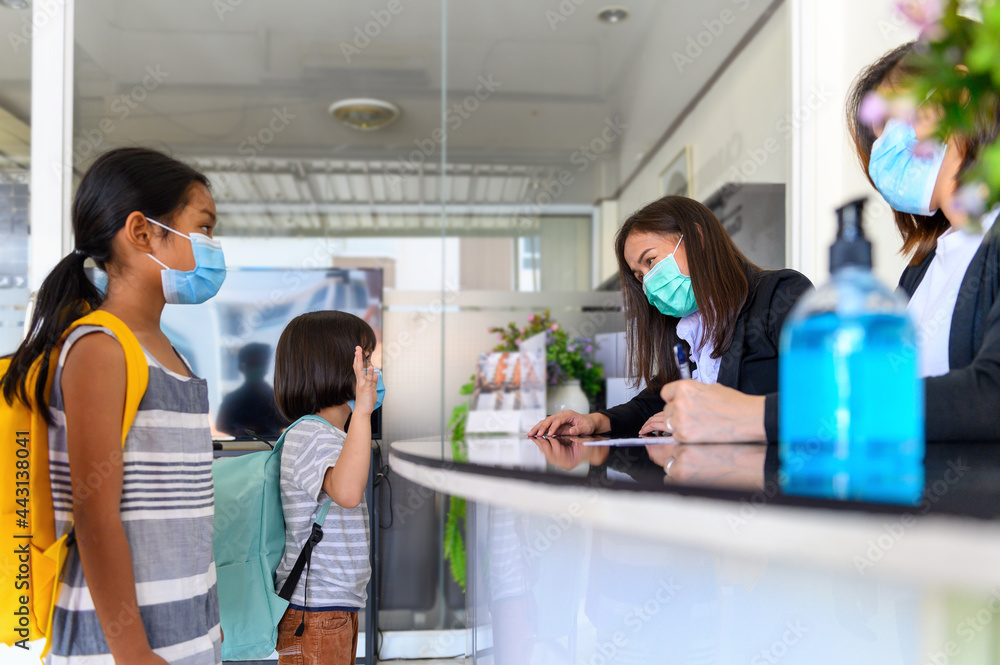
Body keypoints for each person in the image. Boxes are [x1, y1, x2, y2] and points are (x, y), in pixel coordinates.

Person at [1, 147, 225, 664]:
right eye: (204, 227)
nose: (212, 245)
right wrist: (132, 653)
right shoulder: (101, 347)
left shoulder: (164, 351)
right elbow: (96, 516)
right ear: (142, 232)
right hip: (120, 648)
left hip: (187, 633)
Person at [528, 195, 812, 442]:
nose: (648, 282)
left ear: (698, 240)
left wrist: (721, 417)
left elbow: (826, 398)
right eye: (639, 276)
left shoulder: (780, 293)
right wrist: (596, 421)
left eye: (650, 261)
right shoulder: (688, 328)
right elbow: (655, 399)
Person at [844, 40, 1000, 441]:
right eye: (880, 142)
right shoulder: (920, 271)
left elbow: (989, 396)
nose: (888, 152)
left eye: (895, 124)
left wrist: (767, 414)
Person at [272, 311, 379, 665]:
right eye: (366, 360)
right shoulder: (309, 434)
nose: (373, 371)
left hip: (331, 605)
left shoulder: (332, 435)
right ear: (336, 367)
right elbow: (346, 493)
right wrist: (362, 413)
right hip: (315, 609)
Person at [215, 342, 289, 438]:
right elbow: (221, 425)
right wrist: (241, 430)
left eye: (260, 364)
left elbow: (289, 421)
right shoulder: (232, 399)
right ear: (242, 367)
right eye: (252, 364)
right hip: (242, 450)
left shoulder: (277, 399)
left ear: (266, 366)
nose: (257, 368)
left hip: (272, 448)